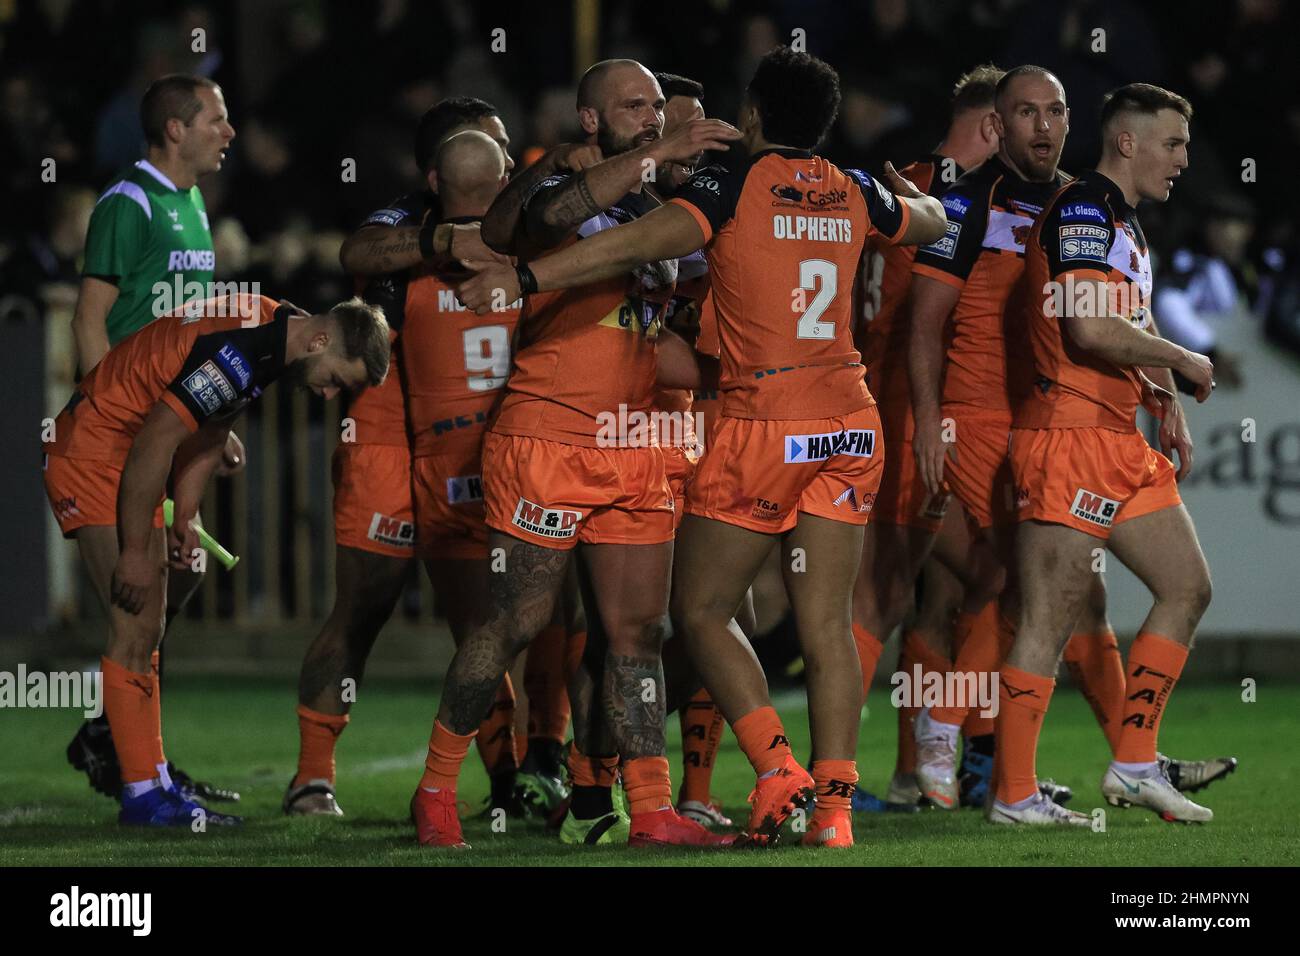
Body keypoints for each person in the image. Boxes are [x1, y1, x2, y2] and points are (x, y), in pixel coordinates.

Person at [458, 46, 948, 848]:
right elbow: (930, 222)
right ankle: (834, 814)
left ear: (753, 114)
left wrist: (527, 281)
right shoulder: (855, 189)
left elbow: (629, 245)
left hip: (765, 421)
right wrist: (907, 196)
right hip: (851, 420)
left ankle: (777, 767)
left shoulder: (733, 185)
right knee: (829, 625)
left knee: (701, 612)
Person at [410, 58, 743, 849]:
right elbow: (521, 230)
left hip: (636, 443)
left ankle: (652, 810)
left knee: (637, 632)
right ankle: (434, 792)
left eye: (659, 105)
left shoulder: (662, 211)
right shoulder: (556, 190)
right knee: (518, 619)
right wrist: (649, 159)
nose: (653, 116)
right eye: (634, 106)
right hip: (548, 436)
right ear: (592, 119)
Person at [44, 292, 389, 826]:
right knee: (136, 623)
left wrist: (185, 513)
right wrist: (135, 551)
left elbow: (207, 425)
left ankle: (150, 778)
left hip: (118, 450)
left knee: (153, 619)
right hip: (97, 453)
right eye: (336, 381)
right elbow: (155, 441)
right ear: (321, 341)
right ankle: (141, 793)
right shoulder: (246, 350)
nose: (327, 396)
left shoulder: (279, 329)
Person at [285, 102, 529, 817]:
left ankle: (512, 780)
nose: (503, 162)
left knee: (485, 619)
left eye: (502, 150)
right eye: (486, 150)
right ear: (437, 175)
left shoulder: (529, 219)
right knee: (364, 603)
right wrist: (454, 238)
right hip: (390, 425)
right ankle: (312, 777)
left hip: (480, 431)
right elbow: (355, 256)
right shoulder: (399, 224)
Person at [992, 83, 1218, 825]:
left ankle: (1133, 762)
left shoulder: (1125, 222)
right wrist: (1183, 357)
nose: (1182, 160)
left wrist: (1165, 398)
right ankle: (1014, 795)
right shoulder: (1084, 209)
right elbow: (1090, 327)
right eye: (1173, 143)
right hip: (1067, 437)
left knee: (1186, 586)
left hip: (1119, 437)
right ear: (1128, 141)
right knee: (1049, 618)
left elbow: (1130, 318)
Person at [66, 73, 241, 806]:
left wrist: (201, 421)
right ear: (176, 129)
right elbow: (88, 317)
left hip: (164, 431)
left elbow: (188, 332)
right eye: (216, 120)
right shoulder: (128, 202)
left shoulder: (193, 202)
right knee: (137, 605)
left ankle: (122, 741)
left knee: (180, 576)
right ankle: (141, 775)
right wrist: (112, 412)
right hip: (118, 437)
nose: (229, 133)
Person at [848, 64, 1003, 810]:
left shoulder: (895, 184)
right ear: (993, 126)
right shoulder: (946, 199)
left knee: (943, 592)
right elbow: (925, 325)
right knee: (883, 599)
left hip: (897, 407)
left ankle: (921, 769)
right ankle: (832, 777)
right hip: (910, 413)